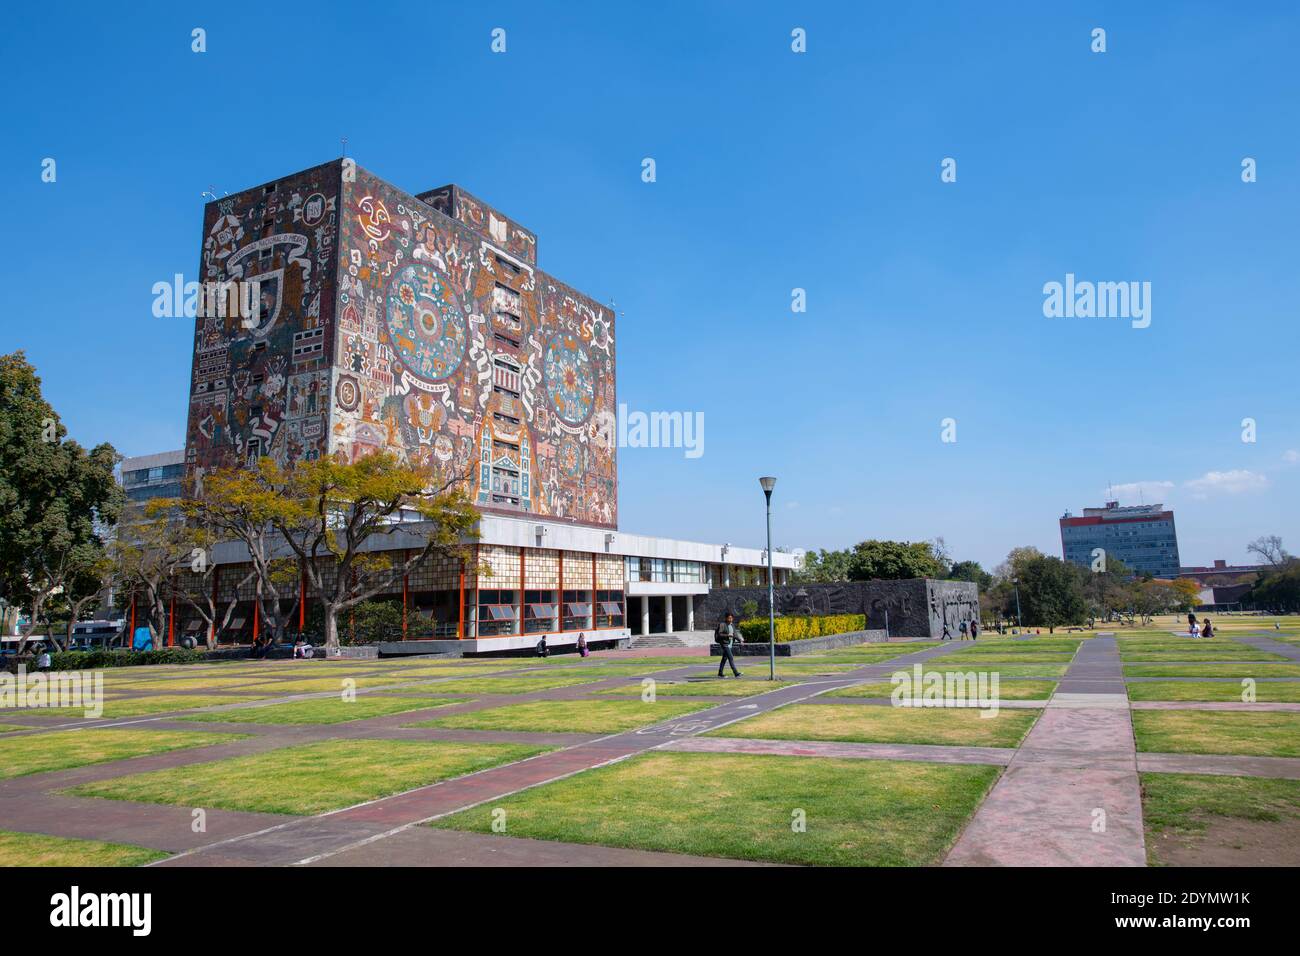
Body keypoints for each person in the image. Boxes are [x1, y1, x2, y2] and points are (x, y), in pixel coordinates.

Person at [715, 612, 743, 678]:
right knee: (731, 657)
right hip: (724, 644)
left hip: (730, 644)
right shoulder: (722, 624)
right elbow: (720, 634)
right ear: (726, 618)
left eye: (731, 618)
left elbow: (735, 634)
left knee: (724, 659)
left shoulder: (732, 625)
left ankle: (720, 673)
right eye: (729, 618)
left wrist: (740, 640)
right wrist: (728, 635)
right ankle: (736, 673)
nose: (730, 619)